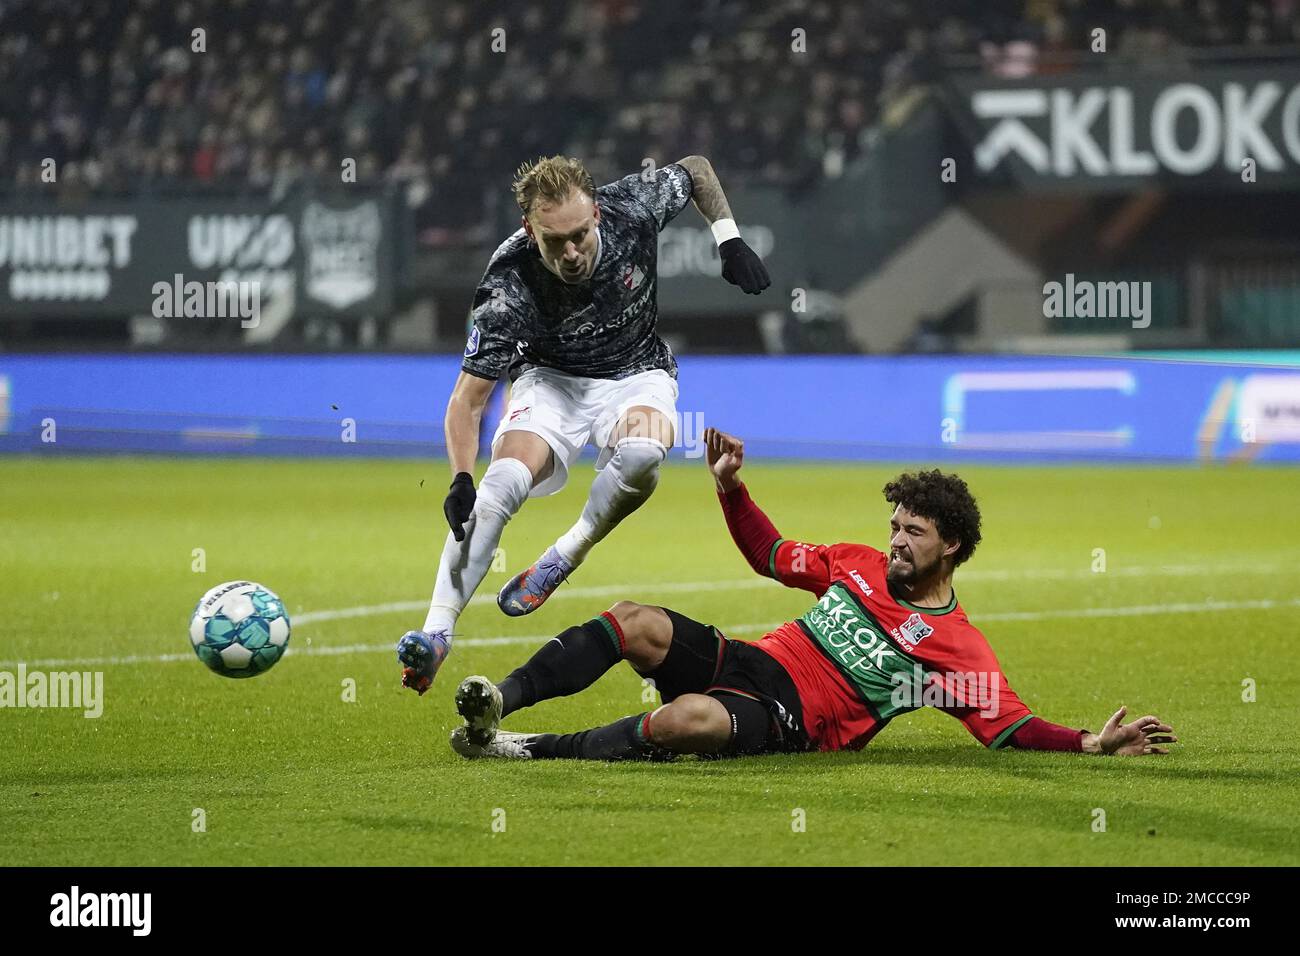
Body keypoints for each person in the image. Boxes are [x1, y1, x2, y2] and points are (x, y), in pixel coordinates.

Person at [447, 427, 1178, 761]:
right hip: (750, 660)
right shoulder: (856, 562)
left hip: (787, 716)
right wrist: (732, 488)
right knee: (635, 620)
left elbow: (1010, 727)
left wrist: (1091, 741)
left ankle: (528, 748)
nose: (894, 541)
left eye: (913, 532)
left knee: (686, 720)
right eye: (894, 526)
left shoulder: (957, 648)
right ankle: (499, 701)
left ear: (949, 547)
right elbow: (770, 553)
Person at [397, 158, 771, 695]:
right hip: (551, 382)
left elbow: (697, 169)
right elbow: (467, 399)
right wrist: (460, 476)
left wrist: (728, 239)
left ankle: (566, 553)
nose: (571, 253)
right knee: (499, 485)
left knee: (643, 454)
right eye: (555, 242)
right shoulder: (507, 284)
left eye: (579, 235)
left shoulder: (633, 207)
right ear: (530, 230)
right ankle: (435, 635)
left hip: (637, 373)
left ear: (597, 212)